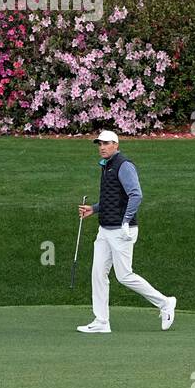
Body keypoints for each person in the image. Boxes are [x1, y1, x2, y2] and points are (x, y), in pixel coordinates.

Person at [76, 130, 176, 334]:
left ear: (115, 145)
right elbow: (112, 198)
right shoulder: (107, 166)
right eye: (99, 144)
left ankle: (165, 303)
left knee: (124, 275)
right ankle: (102, 321)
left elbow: (136, 195)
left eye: (106, 143)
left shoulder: (124, 165)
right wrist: (94, 209)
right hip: (105, 229)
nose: (102, 147)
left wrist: (126, 220)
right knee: (98, 273)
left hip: (122, 230)